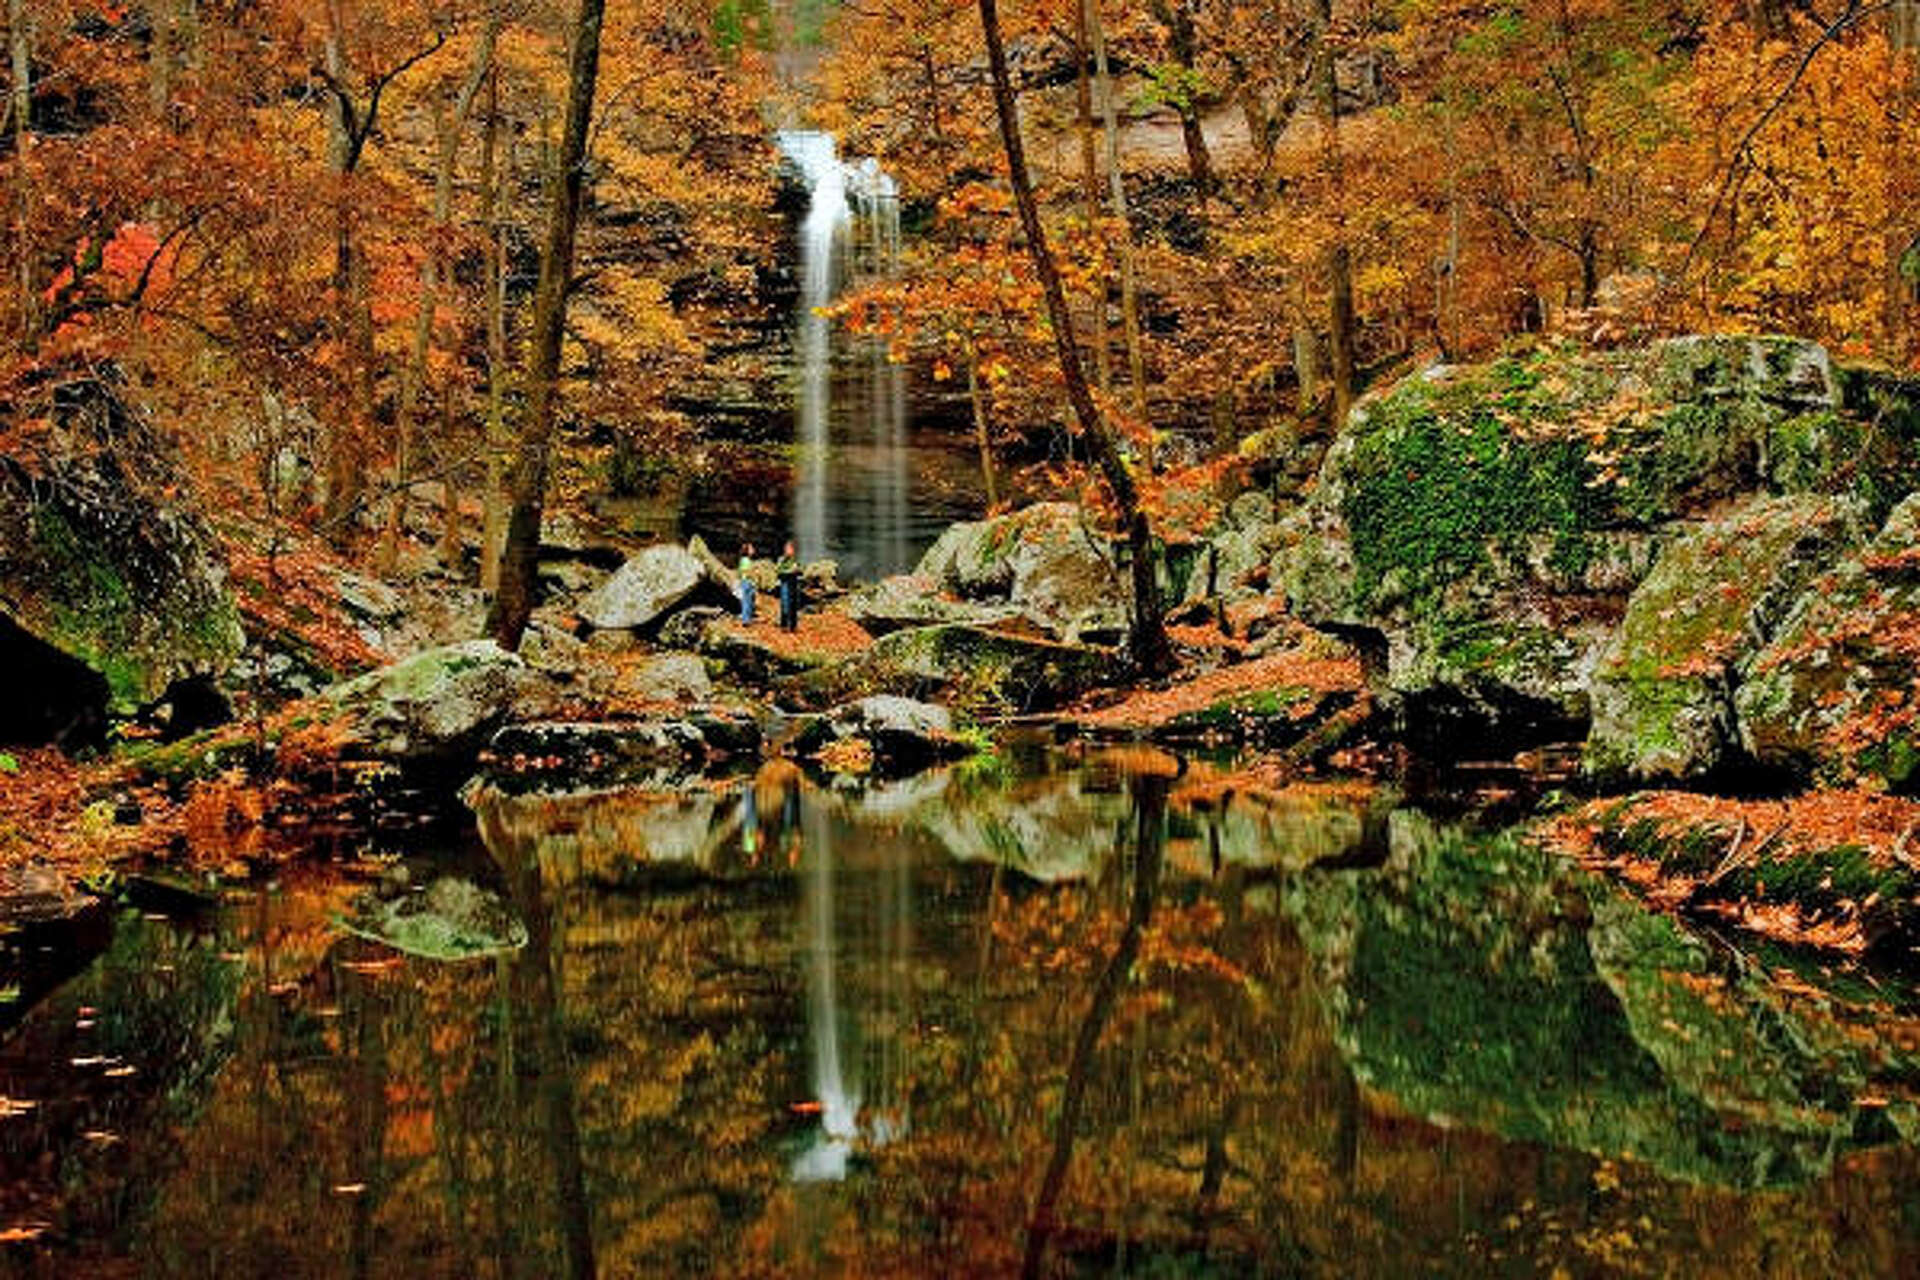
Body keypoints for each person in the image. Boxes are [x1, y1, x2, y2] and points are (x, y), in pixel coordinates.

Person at [776, 540, 801, 631]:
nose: (790, 551)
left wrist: (797, 571)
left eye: (792, 549)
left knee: (794, 604)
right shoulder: (782, 559)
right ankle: (784, 625)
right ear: (785, 549)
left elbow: (798, 570)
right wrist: (790, 571)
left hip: (794, 582)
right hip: (785, 582)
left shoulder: (794, 560)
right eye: (788, 548)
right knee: (785, 603)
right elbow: (778, 570)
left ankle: (793, 626)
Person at [737, 541, 756, 625]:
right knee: (747, 601)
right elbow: (745, 571)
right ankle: (745, 620)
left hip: (748, 581)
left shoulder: (747, 560)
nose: (753, 550)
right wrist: (752, 575)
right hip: (747, 582)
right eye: (751, 549)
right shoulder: (745, 560)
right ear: (747, 551)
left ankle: (748, 618)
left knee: (750, 600)